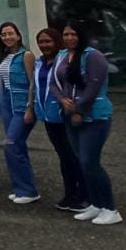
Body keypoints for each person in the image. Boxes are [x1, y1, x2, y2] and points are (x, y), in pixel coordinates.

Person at [52, 21, 121, 225]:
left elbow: (93, 86)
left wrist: (79, 109)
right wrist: (62, 99)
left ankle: (110, 208)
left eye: (73, 34)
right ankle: (96, 204)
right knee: (81, 161)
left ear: (81, 35)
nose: (69, 38)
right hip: (68, 113)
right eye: (66, 34)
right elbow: (53, 83)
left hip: (94, 117)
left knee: (90, 162)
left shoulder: (93, 56)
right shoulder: (62, 55)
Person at [31, 28, 88, 212]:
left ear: (56, 42)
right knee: (64, 157)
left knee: (73, 156)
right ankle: (70, 193)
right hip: (48, 116)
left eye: (48, 41)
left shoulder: (63, 62)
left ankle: (83, 195)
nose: (44, 45)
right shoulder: (40, 62)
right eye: (41, 42)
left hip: (63, 115)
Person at [0, 22, 38, 202]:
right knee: (17, 147)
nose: (7, 37)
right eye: (3, 35)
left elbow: (32, 82)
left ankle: (28, 190)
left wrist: (30, 107)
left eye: (10, 33)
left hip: (22, 107)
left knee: (11, 145)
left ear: (18, 35)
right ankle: (21, 188)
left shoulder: (26, 55)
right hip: (8, 107)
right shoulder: (5, 58)